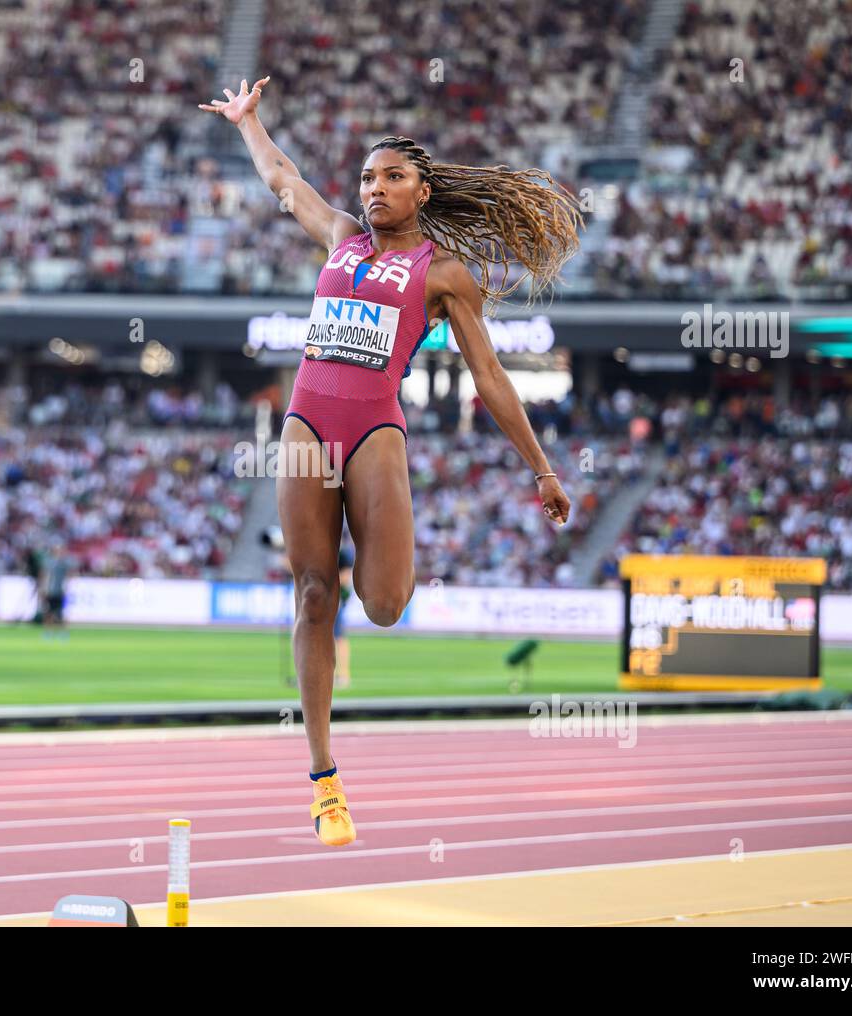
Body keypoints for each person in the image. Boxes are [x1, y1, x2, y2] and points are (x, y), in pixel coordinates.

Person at [202, 77, 575, 847]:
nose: (374, 188)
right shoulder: (340, 236)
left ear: (421, 191)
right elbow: (281, 178)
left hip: (375, 429)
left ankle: (382, 565)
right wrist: (249, 122)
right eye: (368, 177)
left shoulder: (445, 276)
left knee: (382, 604)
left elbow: (492, 379)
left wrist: (541, 467)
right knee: (312, 594)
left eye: (391, 177)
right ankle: (323, 780)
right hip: (307, 420)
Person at [334, 542, 354, 690]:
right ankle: (336, 673)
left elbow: (346, 578)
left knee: (339, 638)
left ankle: (343, 674)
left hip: (337, 599)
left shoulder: (343, 554)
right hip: (328, 598)